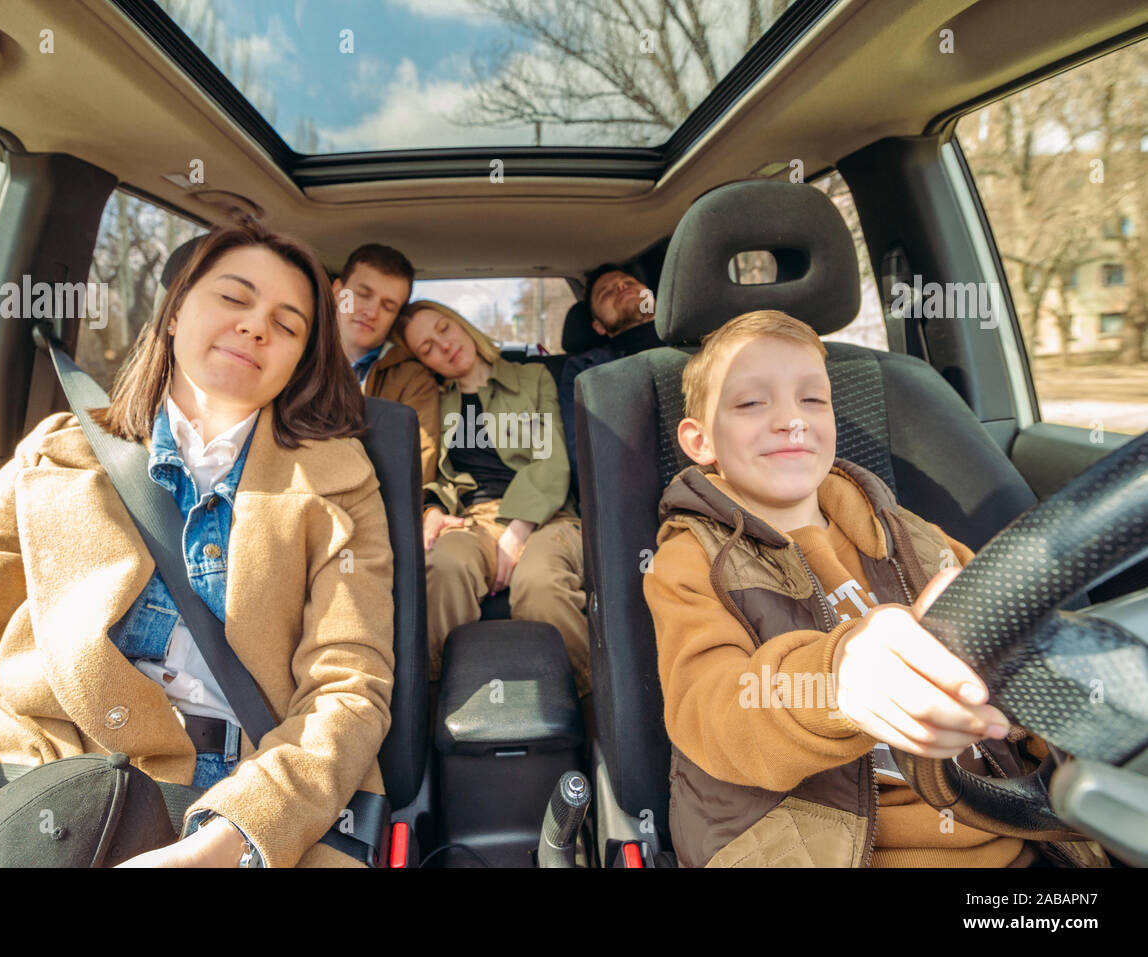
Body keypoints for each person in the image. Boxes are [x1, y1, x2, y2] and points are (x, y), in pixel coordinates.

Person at [0, 223, 395, 868]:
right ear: (173, 314)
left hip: (251, 798)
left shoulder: (340, 480)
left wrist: (229, 841)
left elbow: (348, 689)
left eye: (288, 323)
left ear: (302, 358)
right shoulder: (54, 456)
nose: (256, 327)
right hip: (34, 786)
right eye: (233, 298)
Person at [642, 309, 1108, 868]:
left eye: (813, 400)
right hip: (838, 848)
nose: (793, 420)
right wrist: (835, 685)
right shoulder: (692, 558)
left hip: (1012, 826)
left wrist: (1070, 720)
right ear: (699, 441)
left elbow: (1014, 635)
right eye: (750, 403)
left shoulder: (910, 534)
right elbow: (709, 710)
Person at [398, 300, 590, 698]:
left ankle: (592, 712)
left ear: (462, 323)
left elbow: (552, 458)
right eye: (427, 348)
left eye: (444, 329)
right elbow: (430, 469)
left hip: (548, 515)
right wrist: (431, 510)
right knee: (443, 568)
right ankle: (437, 710)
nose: (444, 346)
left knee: (541, 584)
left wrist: (519, 529)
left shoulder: (534, 376)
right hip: (471, 518)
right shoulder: (435, 400)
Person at [332, 243, 441, 485]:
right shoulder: (292, 358)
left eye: (388, 305)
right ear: (338, 292)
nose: (371, 311)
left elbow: (416, 470)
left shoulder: (412, 380)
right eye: (363, 294)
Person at [558, 264, 663, 493]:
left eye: (630, 283)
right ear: (598, 326)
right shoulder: (585, 371)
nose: (621, 286)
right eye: (606, 292)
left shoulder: (698, 341)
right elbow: (586, 457)